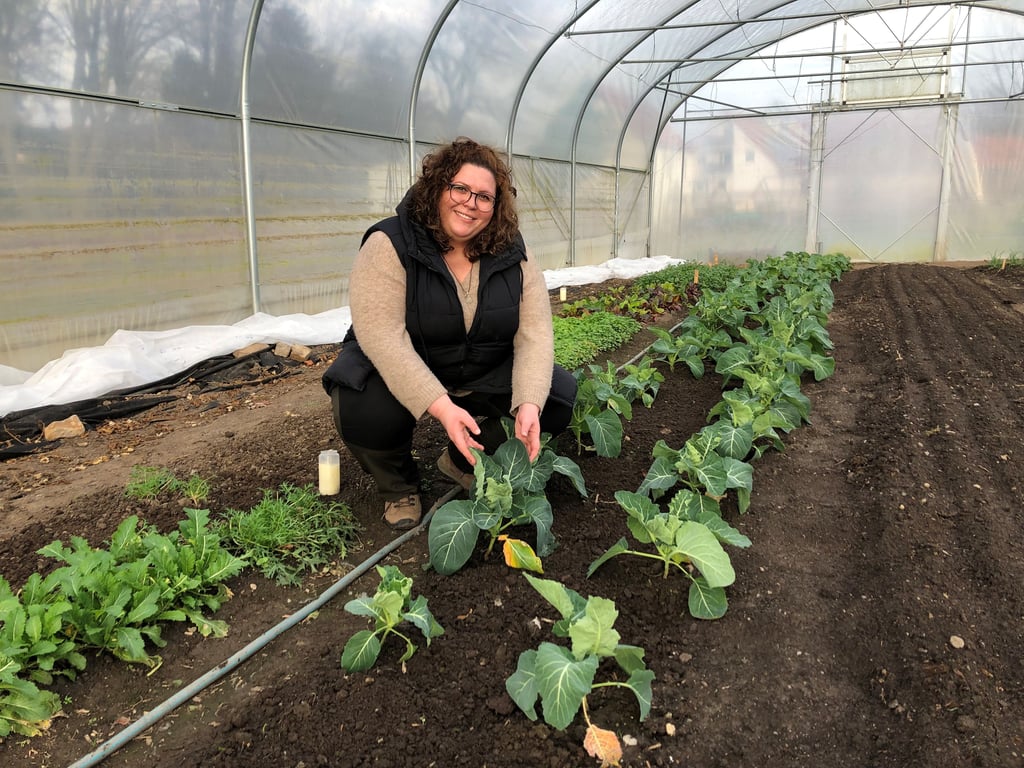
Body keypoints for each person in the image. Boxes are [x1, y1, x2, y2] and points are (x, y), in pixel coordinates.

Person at [322, 137, 577, 530]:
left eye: (484, 196)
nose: (470, 203)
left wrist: (528, 403)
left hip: (477, 367)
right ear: (438, 188)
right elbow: (382, 336)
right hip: (409, 362)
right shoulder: (390, 243)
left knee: (555, 397)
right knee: (360, 403)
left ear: (497, 206)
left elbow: (535, 333)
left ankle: (460, 461)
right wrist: (440, 407)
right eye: (460, 188)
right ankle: (398, 485)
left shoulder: (513, 252)